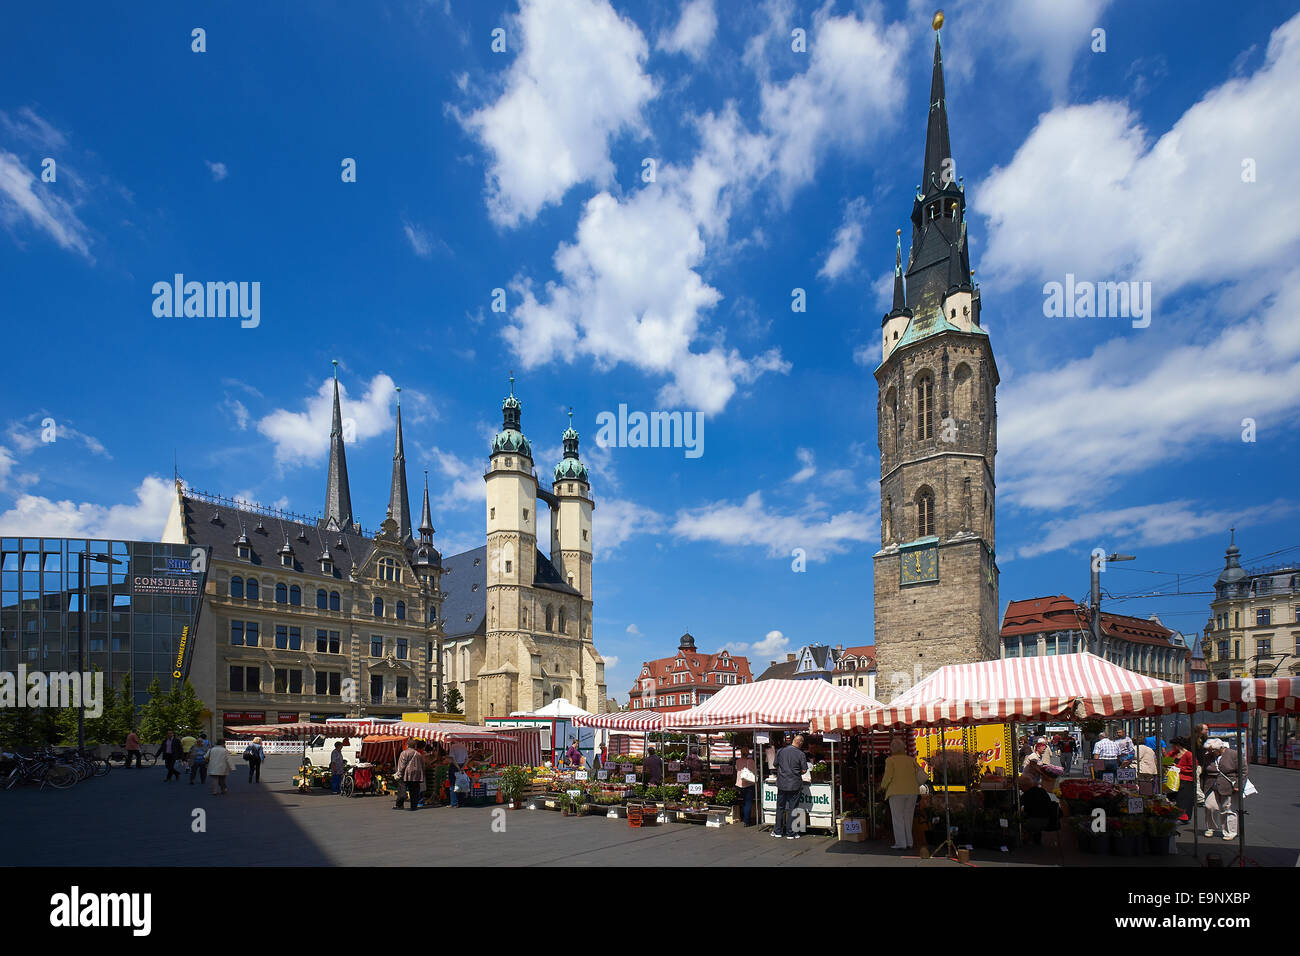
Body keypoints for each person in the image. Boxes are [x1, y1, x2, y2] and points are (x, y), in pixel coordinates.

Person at [879, 738, 922, 850]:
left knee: (898, 818)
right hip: (912, 791)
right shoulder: (910, 759)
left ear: (892, 749)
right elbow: (920, 772)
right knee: (908, 817)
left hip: (896, 792)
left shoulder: (890, 760)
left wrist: (882, 786)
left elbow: (888, 776)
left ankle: (901, 843)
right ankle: (909, 842)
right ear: (903, 748)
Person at [1203, 738, 1246, 840]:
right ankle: (1211, 827)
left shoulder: (1234, 754)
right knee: (1210, 806)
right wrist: (1202, 785)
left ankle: (1230, 832)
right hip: (1211, 785)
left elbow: (1243, 771)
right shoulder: (1208, 756)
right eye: (1208, 750)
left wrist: (1239, 785)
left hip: (1229, 785)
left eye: (1211, 750)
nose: (1209, 752)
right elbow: (1204, 772)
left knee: (1228, 809)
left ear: (1220, 748)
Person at [1020, 737, 1061, 841]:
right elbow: (1034, 767)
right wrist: (1045, 775)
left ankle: (1031, 834)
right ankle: (1034, 835)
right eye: (1043, 747)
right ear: (1037, 747)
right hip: (1029, 780)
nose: (1045, 749)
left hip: (1033, 782)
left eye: (1045, 747)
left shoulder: (1039, 756)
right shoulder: (1033, 756)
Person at [772, 734, 809, 840]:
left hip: (782, 783)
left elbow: (775, 764)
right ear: (800, 742)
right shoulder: (801, 754)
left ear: (793, 740)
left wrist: (783, 770)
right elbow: (804, 770)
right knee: (793, 809)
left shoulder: (781, 751)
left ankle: (778, 831)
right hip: (795, 784)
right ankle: (790, 833)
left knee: (780, 808)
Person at [1168, 737, 1196, 822]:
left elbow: (1192, 767)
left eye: (1173, 745)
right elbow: (1165, 761)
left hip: (1186, 779)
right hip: (1174, 779)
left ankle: (1184, 817)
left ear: (1178, 745)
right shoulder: (1173, 753)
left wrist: (1178, 767)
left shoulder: (1189, 754)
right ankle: (1177, 815)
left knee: (1184, 799)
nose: (1172, 747)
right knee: (1174, 798)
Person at [393, 738, 425, 811]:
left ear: (407, 745)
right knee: (414, 790)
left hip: (406, 774)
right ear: (415, 746)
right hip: (416, 775)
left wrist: (399, 773)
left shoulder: (404, 753)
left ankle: (400, 804)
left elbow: (402, 765)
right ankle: (414, 806)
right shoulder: (418, 754)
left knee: (402, 788)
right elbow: (422, 765)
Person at [735, 746, 757, 827]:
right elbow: (755, 771)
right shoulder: (751, 761)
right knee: (748, 803)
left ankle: (742, 817)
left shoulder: (737, 761)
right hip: (749, 784)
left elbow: (737, 769)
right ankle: (746, 821)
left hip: (739, 784)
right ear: (748, 753)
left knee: (742, 802)